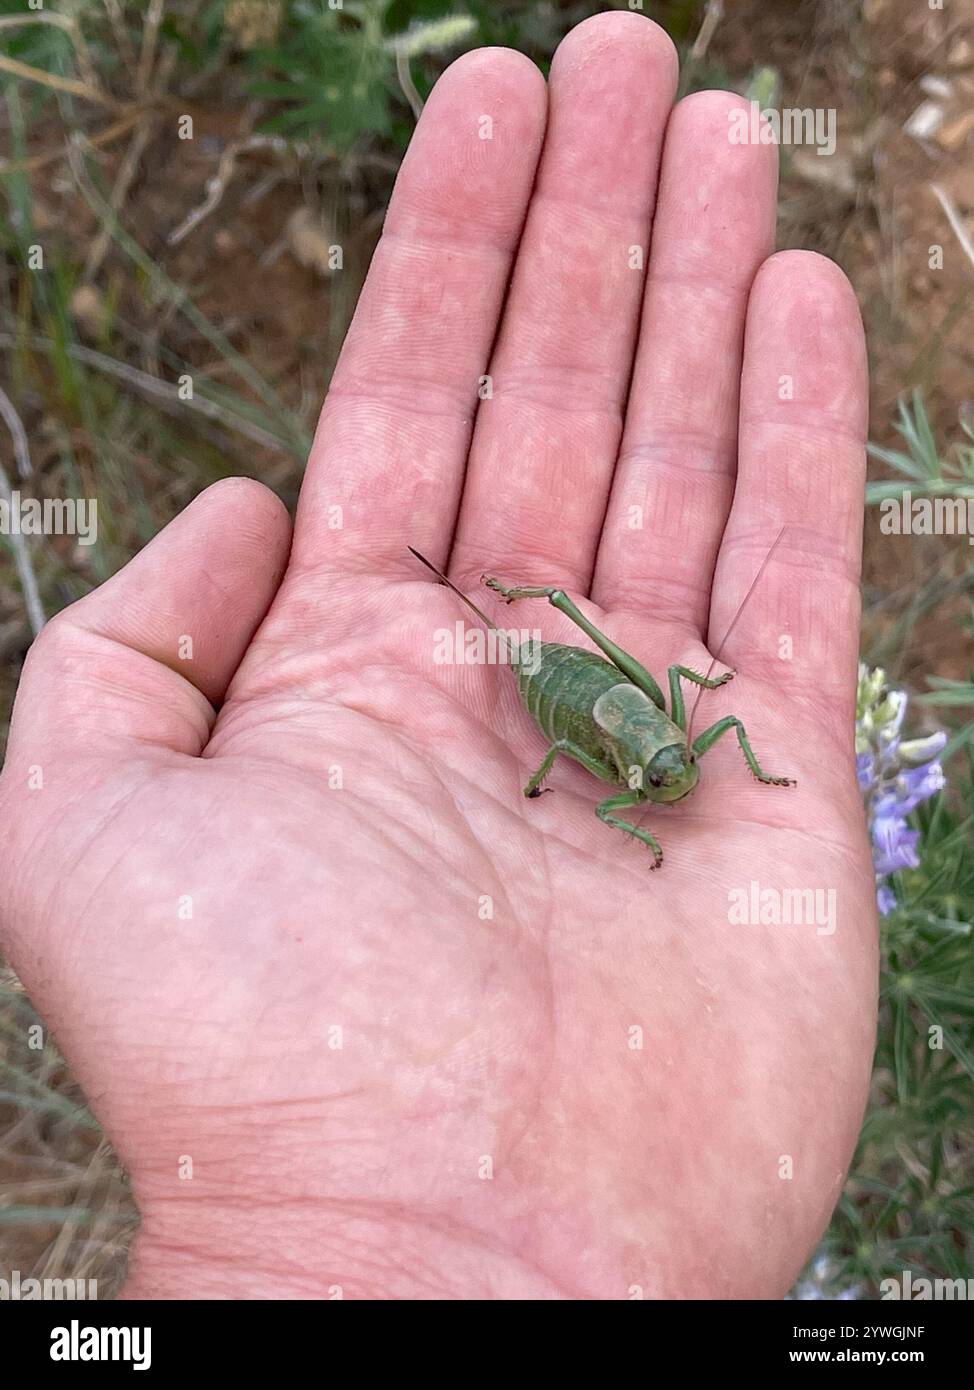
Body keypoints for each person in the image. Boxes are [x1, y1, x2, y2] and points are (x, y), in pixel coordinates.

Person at [0, 13, 874, 1299]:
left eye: (681, 775)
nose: (679, 784)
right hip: (565, 696)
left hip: (610, 690)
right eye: (670, 785)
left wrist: (719, 760)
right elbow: (600, 764)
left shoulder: (689, 744)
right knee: (567, 729)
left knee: (644, 704)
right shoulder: (628, 774)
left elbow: (694, 726)